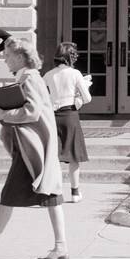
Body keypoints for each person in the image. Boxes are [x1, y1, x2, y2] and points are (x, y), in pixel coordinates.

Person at [0, 39, 68, 259]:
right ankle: (61, 247)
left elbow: (32, 111)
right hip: (35, 146)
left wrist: (4, 115)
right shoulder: (30, 77)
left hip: (31, 147)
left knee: (10, 194)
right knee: (51, 196)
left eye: (8, 56)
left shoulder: (29, 78)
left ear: (20, 57)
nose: (5, 59)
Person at [45, 41, 91, 205]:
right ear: (71, 57)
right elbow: (87, 98)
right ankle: (75, 192)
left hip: (53, 116)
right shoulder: (75, 73)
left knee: (54, 156)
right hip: (70, 114)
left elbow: (43, 96)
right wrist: (80, 94)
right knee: (74, 157)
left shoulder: (49, 75)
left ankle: (54, 191)